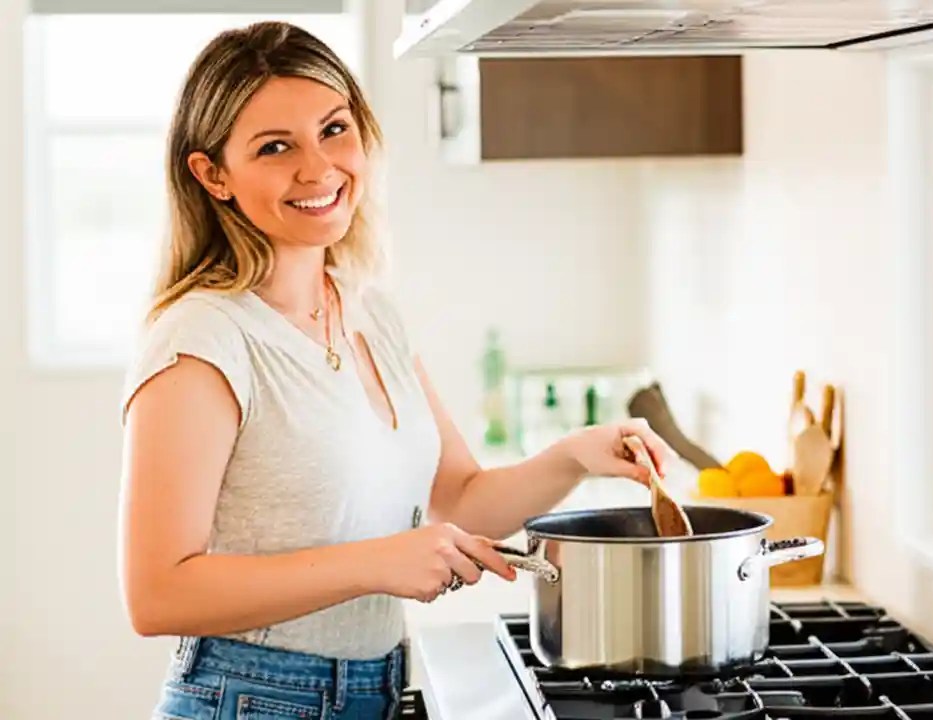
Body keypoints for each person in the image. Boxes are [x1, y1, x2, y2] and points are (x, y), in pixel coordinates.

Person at [117, 21, 670, 719]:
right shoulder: (201, 338)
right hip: (252, 697)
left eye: (334, 129)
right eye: (275, 147)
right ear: (212, 174)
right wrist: (381, 562)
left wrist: (576, 455)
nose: (318, 168)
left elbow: (463, 498)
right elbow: (157, 593)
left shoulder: (368, 311)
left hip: (375, 684)